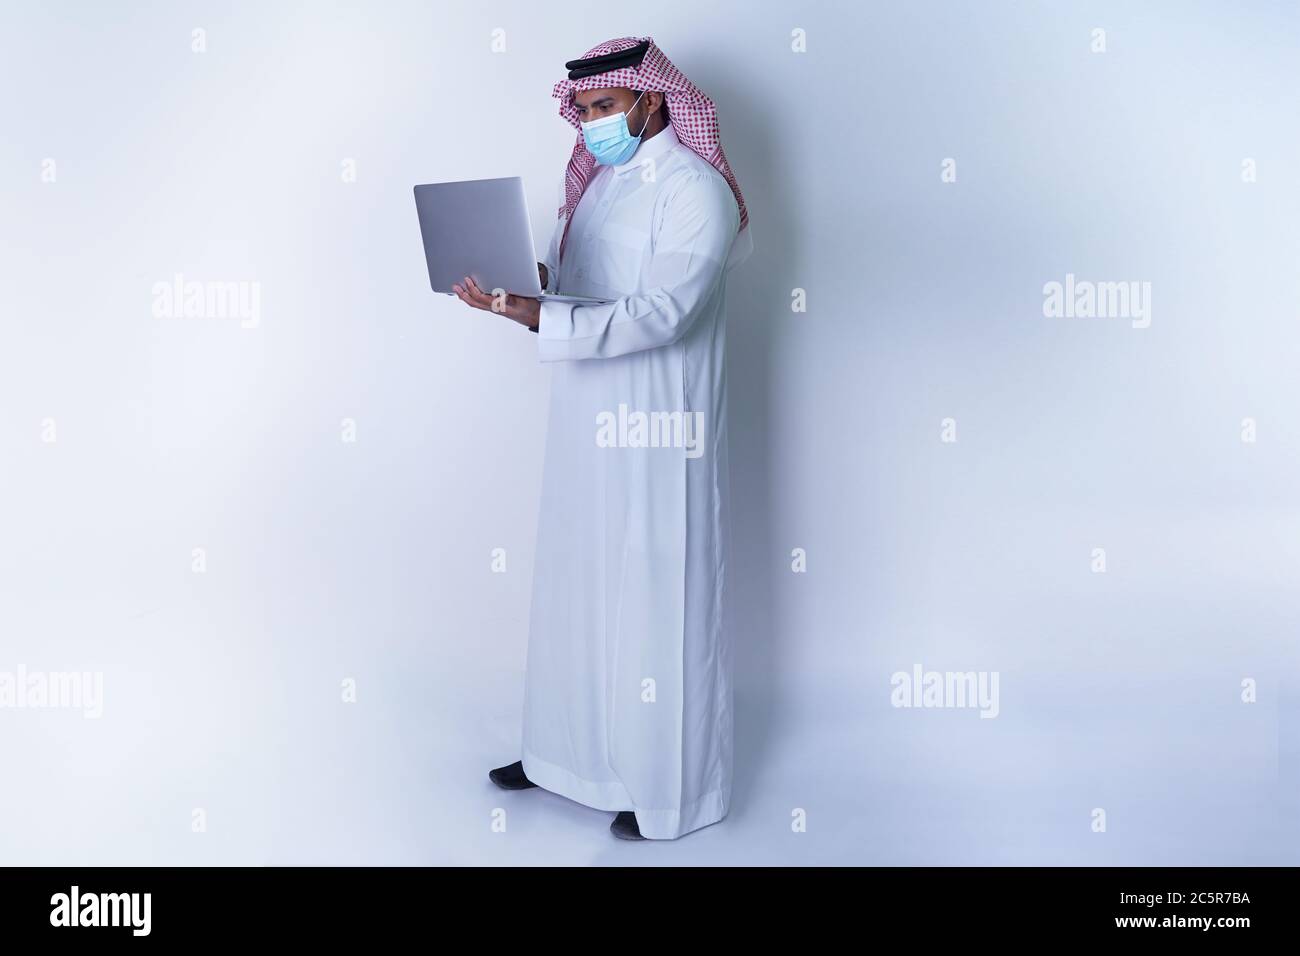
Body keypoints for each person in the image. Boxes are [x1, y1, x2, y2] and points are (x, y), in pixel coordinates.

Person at [452, 35, 751, 841]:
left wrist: (543, 315)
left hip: (660, 422)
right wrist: (517, 290)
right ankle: (559, 759)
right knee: (575, 585)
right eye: (581, 111)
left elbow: (666, 313)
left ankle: (667, 792)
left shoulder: (696, 192)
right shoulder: (598, 188)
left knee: (656, 600)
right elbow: (577, 287)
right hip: (585, 414)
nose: (589, 125)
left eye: (604, 107)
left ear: (652, 100)